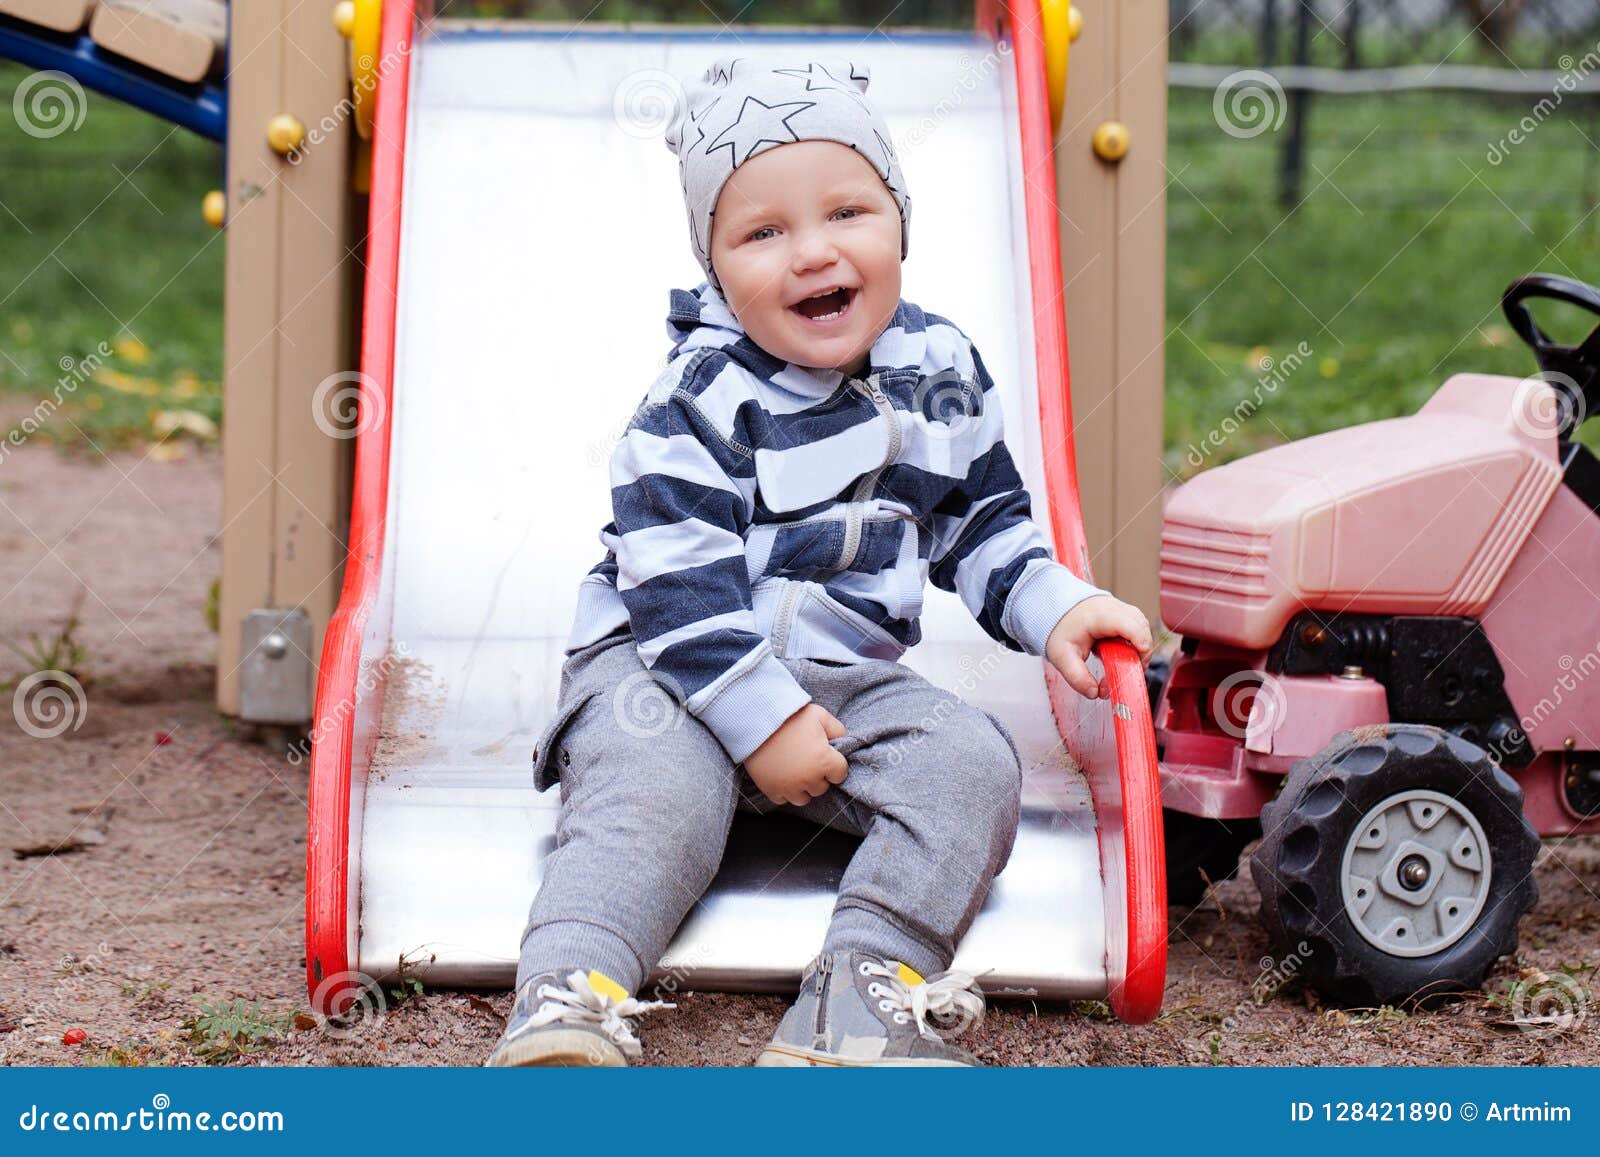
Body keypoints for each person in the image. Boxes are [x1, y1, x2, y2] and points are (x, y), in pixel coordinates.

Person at [485, 55, 1152, 1069]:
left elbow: (983, 524)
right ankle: (569, 997)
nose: (811, 253)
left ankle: (860, 995)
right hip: (664, 668)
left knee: (971, 765)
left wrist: (1057, 605)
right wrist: (762, 718)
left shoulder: (941, 372)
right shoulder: (696, 399)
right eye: (761, 232)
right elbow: (675, 589)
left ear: (899, 220)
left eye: (847, 212)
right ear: (714, 264)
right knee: (656, 792)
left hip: (839, 686)